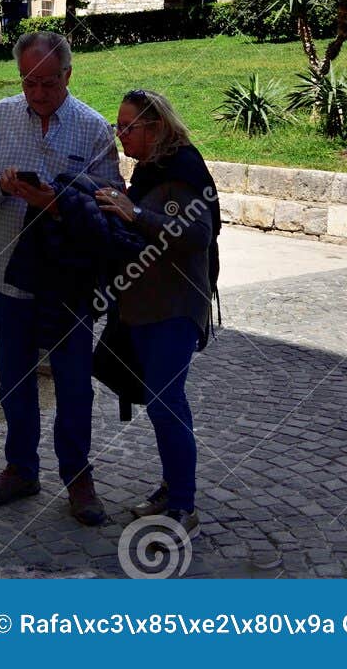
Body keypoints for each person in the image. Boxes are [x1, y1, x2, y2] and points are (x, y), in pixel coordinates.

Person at [0, 30, 122, 525]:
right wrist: (1, 185)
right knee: (15, 378)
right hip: (10, 272)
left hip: (69, 280)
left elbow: (110, 200)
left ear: (68, 75)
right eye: (28, 83)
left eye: (48, 84)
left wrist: (56, 203)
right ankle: (20, 468)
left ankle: (78, 477)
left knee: (75, 382)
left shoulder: (94, 129)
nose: (37, 94)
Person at [93, 88, 221, 539]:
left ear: (156, 127)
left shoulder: (182, 169)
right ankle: (172, 488)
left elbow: (196, 235)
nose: (121, 135)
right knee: (161, 404)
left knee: (168, 404)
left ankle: (184, 506)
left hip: (175, 308)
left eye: (128, 127)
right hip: (144, 306)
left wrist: (134, 213)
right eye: (118, 126)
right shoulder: (150, 169)